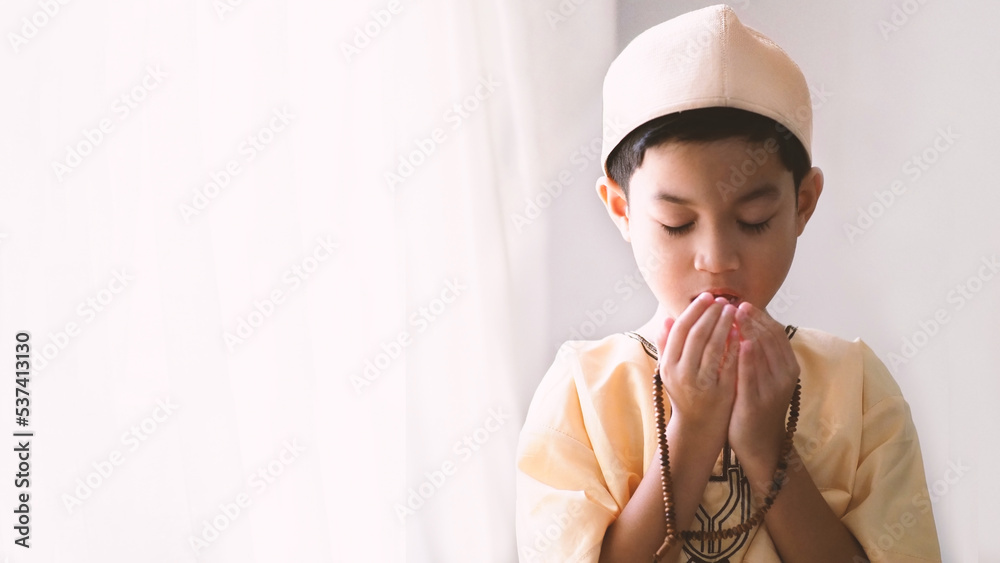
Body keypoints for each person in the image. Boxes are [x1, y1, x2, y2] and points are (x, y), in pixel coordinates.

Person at [514, 5, 942, 562]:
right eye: (677, 224)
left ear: (803, 204)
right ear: (620, 209)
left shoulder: (856, 389)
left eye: (754, 219)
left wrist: (769, 449)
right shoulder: (581, 393)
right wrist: (691, 431)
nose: (716, 259)